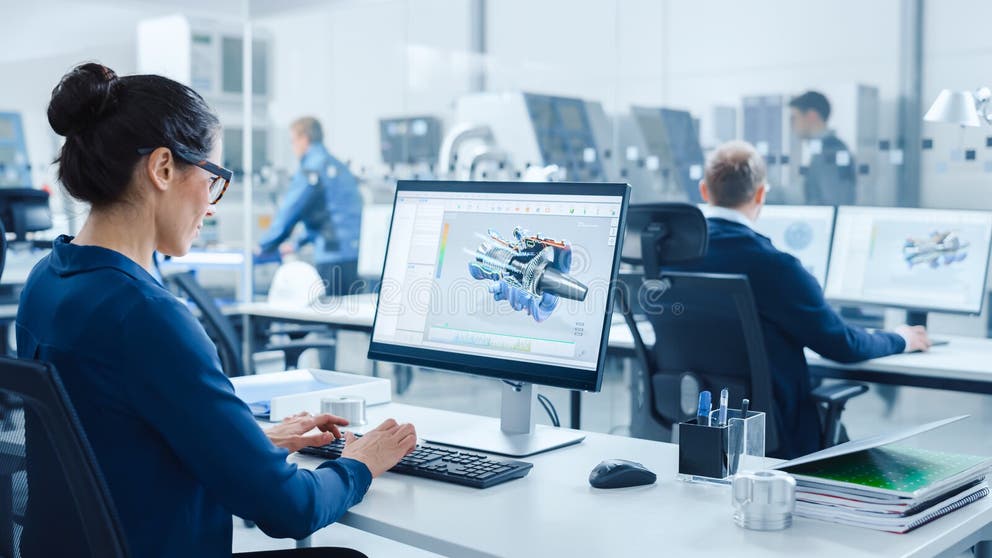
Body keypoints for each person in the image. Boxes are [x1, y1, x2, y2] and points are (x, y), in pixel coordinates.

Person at [16, 62, 416, 557]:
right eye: (212, 179)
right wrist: (359, 462)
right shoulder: (147, 316)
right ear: (162, 168)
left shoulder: (47, 281)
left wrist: (246, 444)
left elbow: (111, 440)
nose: (212, 206)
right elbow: (290, 509)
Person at [669, 141, 931, 459]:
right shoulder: (775, 266)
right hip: (773, 432)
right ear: (761, 194)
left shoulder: (672, 256)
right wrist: (900, 338)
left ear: (704, 191)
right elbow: (843, 345)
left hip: (693, 420)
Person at [258, 117, 362, 296]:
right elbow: (328, 215)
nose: (293, 147)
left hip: (332, 256)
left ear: (304, 139)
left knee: (333, 317)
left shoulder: (311, 169)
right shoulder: (338, 166)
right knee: (349, 317)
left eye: (293, 141)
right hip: (354, 256)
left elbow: (290, 211)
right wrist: (297, 242)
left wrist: (264, 245)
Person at [789, 90, 857, 206]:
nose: (792, 124)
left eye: (795, 118)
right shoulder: (821, 150)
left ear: (811, 116)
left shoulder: (831, 151)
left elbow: (834, 202)